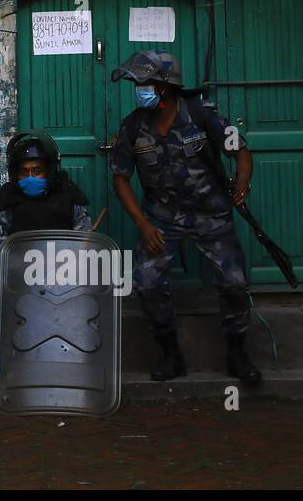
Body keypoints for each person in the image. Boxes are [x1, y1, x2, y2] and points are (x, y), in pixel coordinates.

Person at [108, 50, 261, 385]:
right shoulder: (133, 126)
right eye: (137, 84)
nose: (138, 89)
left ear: (164, 85)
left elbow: (241, 151)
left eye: (144, 83)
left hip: (212, 215)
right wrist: (143, 224)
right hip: (162, 219)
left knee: (234, 283)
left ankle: (237, 354)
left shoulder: (201, 114)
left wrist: (243, 182)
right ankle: (170, 355)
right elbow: (120, 178)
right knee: (147, 284)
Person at [0, 131, 91, 381]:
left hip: (64, 278)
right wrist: (18, 272)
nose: (30, 177)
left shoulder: (70, 196)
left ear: (51, 170)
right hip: (18, 277)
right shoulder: (7, 198)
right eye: (24, 172)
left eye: (37, 171)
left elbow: (84, 243)